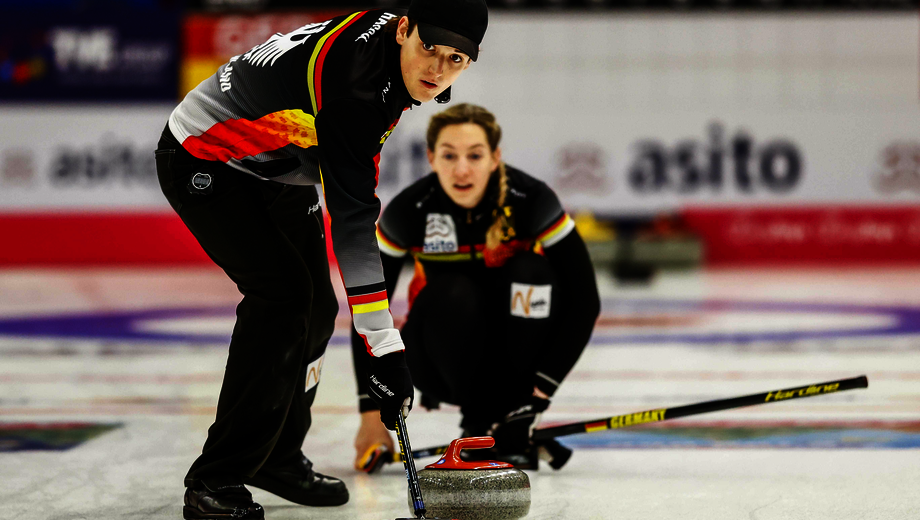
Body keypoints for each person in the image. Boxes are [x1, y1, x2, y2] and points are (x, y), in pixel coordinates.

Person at [154, 1, 488, 518]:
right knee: (283, 299)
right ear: (404, 29)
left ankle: (278, 458)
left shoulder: (395, 42)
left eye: (456, 60)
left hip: (280, 163)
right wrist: (385, 348)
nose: (437, 70)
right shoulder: (356, 91)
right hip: (207, 154)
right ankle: (214, 480)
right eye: (428, 49)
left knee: (315, 312)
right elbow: (354, 226)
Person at [352, 104, 600, 469]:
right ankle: (482, 421)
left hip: (518, 365)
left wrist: (537, 397)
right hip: (438, 364)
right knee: (454, 292)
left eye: (475, 155)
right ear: (432, 158)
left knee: (532, 272)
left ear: (495, 157)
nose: (462, 169)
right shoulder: (410, 210)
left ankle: (512, 418)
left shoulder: (531, 199)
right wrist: (371, 418)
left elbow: (584, 300)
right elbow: (369, 312)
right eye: (449, 156)